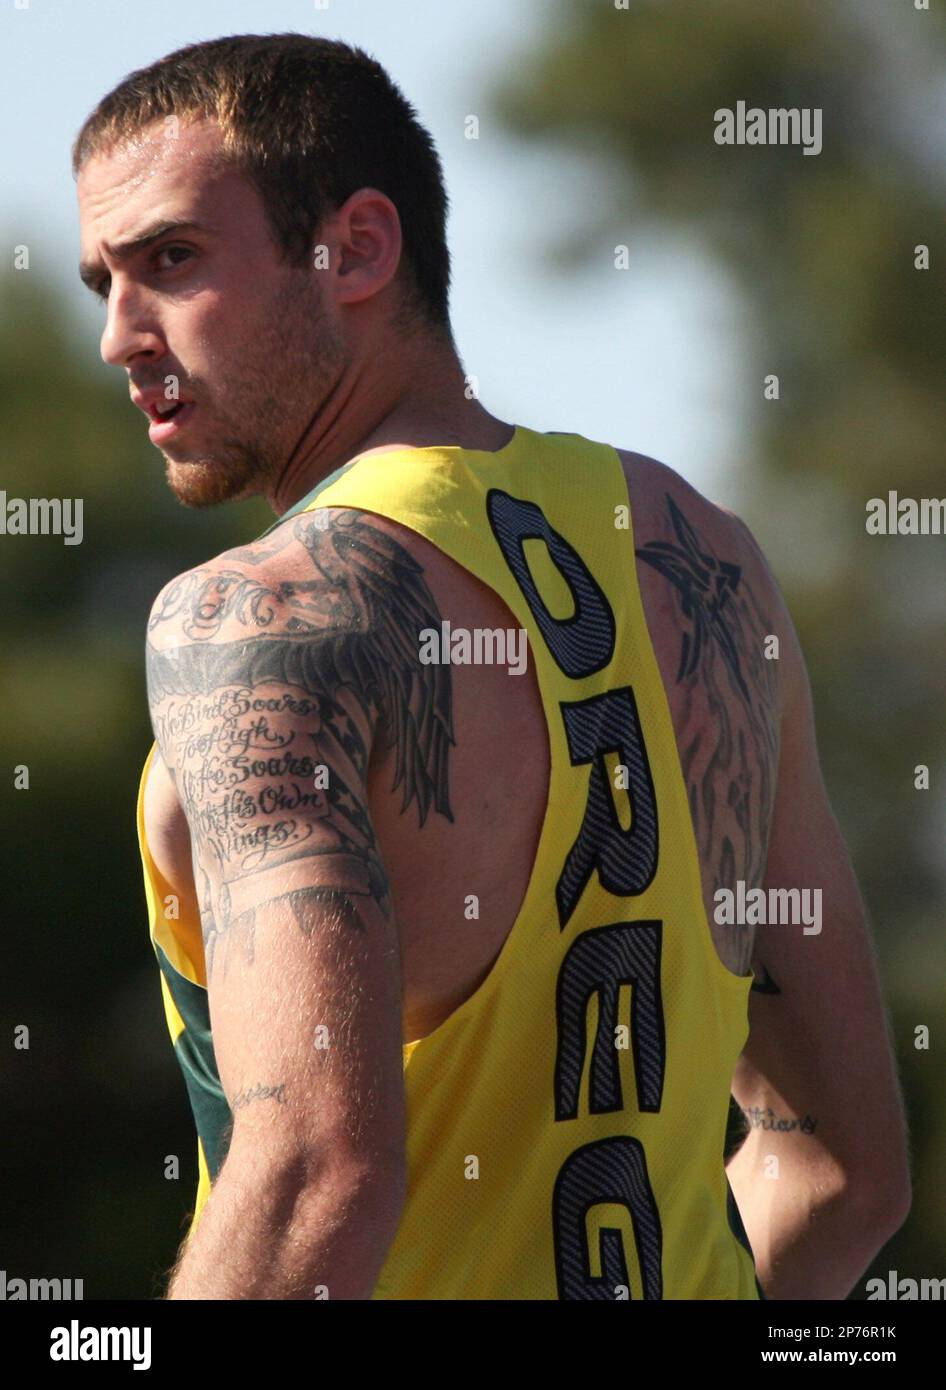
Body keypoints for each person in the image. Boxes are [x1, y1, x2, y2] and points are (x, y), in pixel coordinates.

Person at [74, 33, 910, 1300]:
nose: (119, 338)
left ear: (355, 246)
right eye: (102, 285)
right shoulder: (701, 558)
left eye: (172, 262)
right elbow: (846, 1173)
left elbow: (312, 1181)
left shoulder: (253, 619)